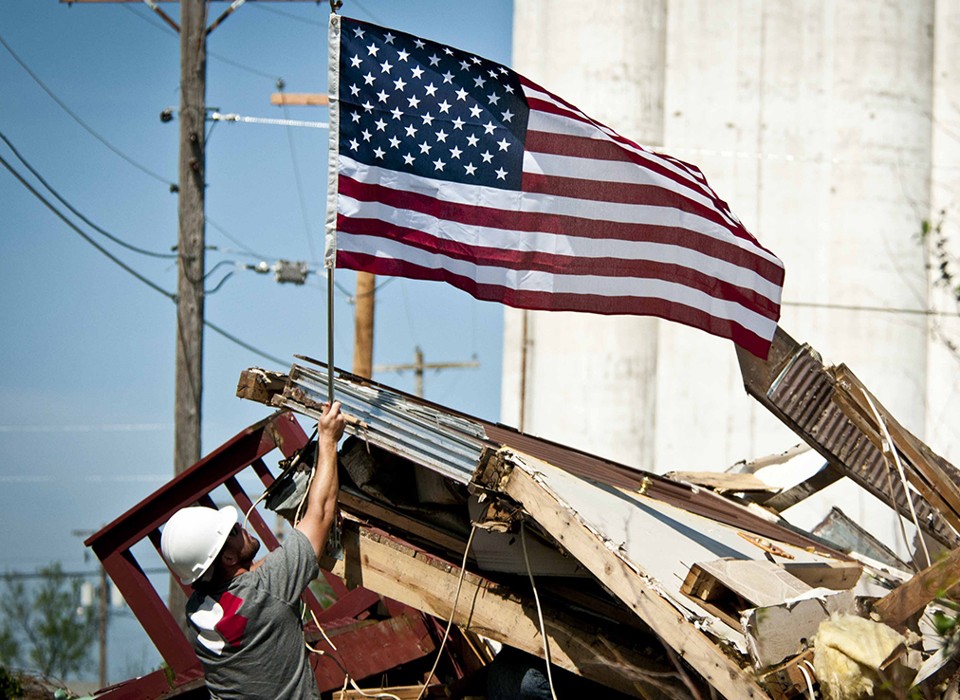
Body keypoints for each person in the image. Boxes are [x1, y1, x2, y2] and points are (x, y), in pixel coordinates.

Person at [160, 402, 345, 700]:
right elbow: (321, 513)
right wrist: (328, 439)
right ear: (229, 558)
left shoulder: (197, 612)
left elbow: (242, 586)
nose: (242, 529)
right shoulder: (267, 591)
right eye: (233, 533)